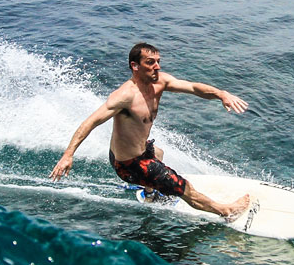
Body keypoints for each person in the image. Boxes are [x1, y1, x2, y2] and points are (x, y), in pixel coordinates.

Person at [50, 42, 251, 221]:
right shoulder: (124, 96)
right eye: (150, 62)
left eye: (158, 61)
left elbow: (192, 87)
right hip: (129, 165)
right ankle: (226, 211)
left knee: (159, 153)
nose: (157, 66)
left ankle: (149, 193)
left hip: (140, 153)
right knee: (183, 187)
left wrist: (221, 94)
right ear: (135, 66)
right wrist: (68, 155)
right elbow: (90, 122)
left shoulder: (160, 82)